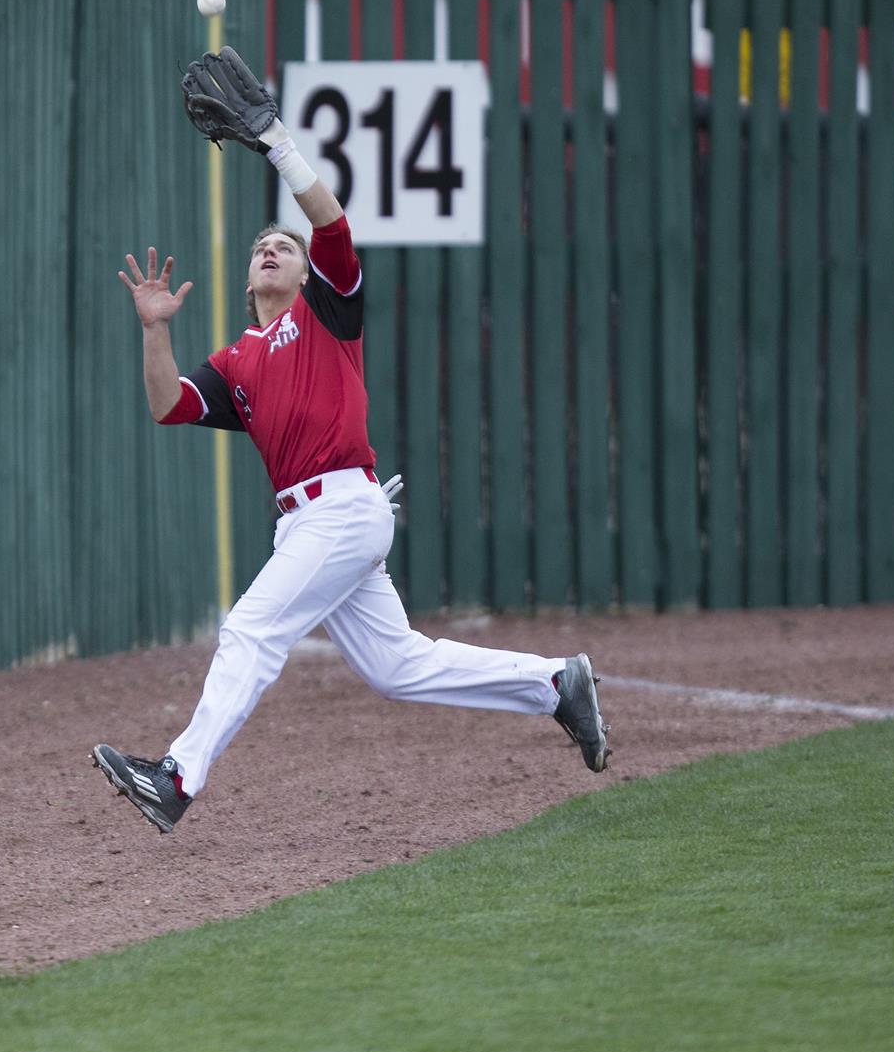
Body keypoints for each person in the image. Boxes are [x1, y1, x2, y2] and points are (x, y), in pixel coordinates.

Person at [91, 47, 610, 834]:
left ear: (305, 276)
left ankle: (176, 776)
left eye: (285, 247)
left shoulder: (325, 314)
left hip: (340, 508)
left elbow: (329, 221)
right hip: (317, 519)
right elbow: (168, 405)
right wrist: (153, 332)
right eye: (263, 246)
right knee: (397, 667)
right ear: (246, 279)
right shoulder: (237, 360)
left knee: (251, 628)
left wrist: (275, 142)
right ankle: (555, 684)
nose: (273, 248)